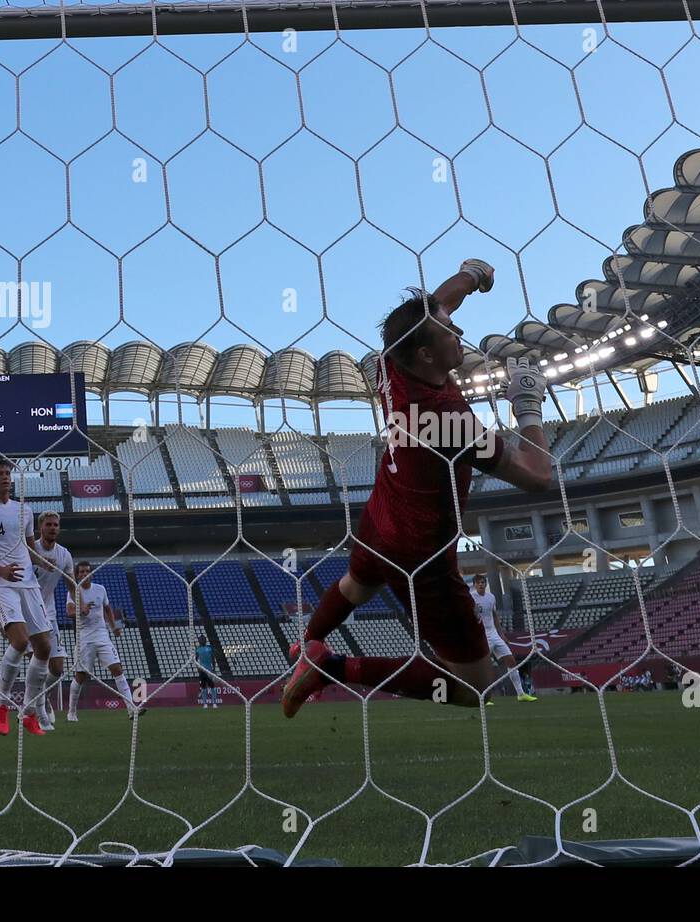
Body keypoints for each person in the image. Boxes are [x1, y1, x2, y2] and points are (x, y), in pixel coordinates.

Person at [282, 260, 553, 716]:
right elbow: (538, 478)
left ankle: (306, 644)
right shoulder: (447, 423)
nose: (459, 331)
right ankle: (329, 667)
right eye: (450, 332)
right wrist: (528, 405)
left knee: (355, 587)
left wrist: (469, 278)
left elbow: (437, 306)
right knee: (475, 689)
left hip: (382, 516)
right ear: (426, 354)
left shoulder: (394, 362)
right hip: (421, 551)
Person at [0, 458, 53, 737]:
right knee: (20, 640)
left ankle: (28, 713)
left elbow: (29, 549)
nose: (5, 477)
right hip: (1, 583)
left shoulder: (24, 510)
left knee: (44, 648)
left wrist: (43, 561)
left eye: (8, 473)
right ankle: (1, 705)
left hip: (29, 583)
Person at [66, 561, 144, 720]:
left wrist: (114, 626)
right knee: (80, 676)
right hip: (85, 637)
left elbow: (107, 608)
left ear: (92, 573)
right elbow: (69, 611)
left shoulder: (100, 589)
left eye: (87, 571)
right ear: (77, 574)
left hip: (102, 635)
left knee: (117, 668)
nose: (84, 574)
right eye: (81, 572)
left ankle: (131, 708)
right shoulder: (74, 591)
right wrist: (82, 610)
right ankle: (72, 711)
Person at [32, 511, 75, 731]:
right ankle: (39, 714)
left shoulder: (64, 555)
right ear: (41, 528)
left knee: (57, 668)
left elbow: (71, 584)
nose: (53, 528)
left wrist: (77, 602)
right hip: (27, 613)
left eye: (56, 525)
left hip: (49, 613)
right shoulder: (30, 549)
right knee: (38, 666)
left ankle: (42, 698)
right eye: (49, 524)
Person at [469, 573, 535, 703]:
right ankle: (483, 697)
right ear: (475, 585)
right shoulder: (471, 598)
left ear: (486, 584)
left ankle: (521, 694)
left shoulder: (491, 597)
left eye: (483, 582)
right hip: (482, 636)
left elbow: (494, 616)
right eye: (478, 582)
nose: (481, 584)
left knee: (511, 661)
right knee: (484, 666)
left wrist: (501, 634)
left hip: (494, 634)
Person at [195, 634, 221, 708]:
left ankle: (214, 703)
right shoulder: (198, 649)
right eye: (200, 639)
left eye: (203, 639)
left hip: (209, 670)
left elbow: (213, 659)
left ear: (205, 640)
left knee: (212, 686)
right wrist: (198, 668)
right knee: (203, 686)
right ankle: (205, 703)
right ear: (199, 641)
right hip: (202, 670)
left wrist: (214, 668)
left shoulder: (209, 648)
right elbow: (196, 660)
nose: (202, 641)